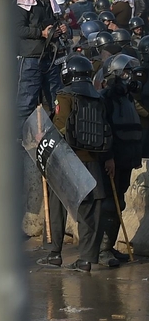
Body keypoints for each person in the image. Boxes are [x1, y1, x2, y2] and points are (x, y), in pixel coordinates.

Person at [40, 54, 114, 270]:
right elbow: (106, 130)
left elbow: (59, 129)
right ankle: (86, 260)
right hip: (92, 163)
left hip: (66, 162)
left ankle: (54, 253)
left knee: (57, 208)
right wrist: (109, 158)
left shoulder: (64, 96)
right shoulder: (98, 98)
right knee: (90, 212)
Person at [98, 53, 146, 264]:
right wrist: (109, 157)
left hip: (127, 159)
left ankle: (109, 248)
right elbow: (103, 131)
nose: (129, 77)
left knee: (120, 201)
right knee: (109, 203)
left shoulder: (128, 99)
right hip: (113, 161)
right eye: (125, 73)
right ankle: (102, 251)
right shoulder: (106, 99)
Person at [18, 0, 64, 122]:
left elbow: (53, 20)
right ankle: (18, 143)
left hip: (50, 56)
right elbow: (17, 29)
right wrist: (40, 33)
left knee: (56, 100)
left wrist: (60, 27)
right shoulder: (22, 1)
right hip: (31, 57)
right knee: (27, 102)